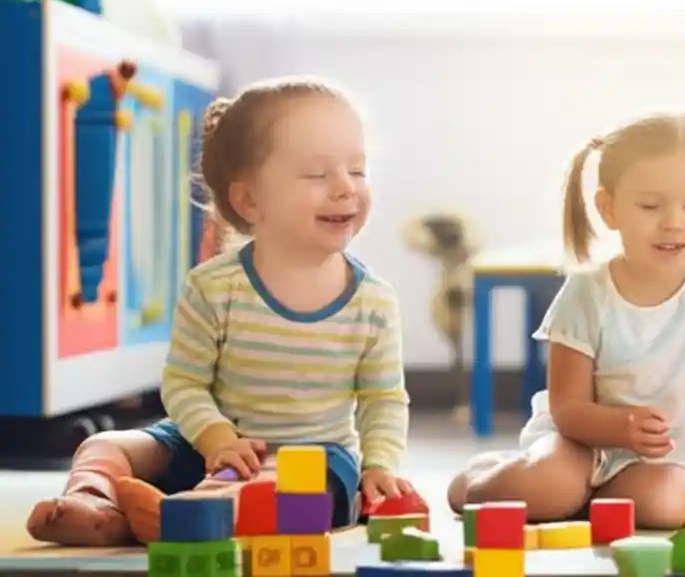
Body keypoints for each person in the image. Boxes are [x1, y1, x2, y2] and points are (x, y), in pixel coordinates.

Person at [26, 77, 412, 545]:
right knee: (104, 445)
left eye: (358, 170)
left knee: (288, 490)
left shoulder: (372, 301)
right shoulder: (214, 287)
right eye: (317, 174)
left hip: (314, 461)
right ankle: (95, 506)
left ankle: (187, 517)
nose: (345, 188)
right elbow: (185, 382)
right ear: (249, 199)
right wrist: (216, 439)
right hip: (206, 443)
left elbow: (383, 399)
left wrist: (380, 466)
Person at [447, 112, 685, 529]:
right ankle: (481, 479)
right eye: (651, 206)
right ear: (609, 208)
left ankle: (577, 503)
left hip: (660, 458)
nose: (674, 222)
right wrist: (619, 426)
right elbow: (567, 408)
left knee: (665, 508)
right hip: (578, 443)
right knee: (550, 486)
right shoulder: (587, 292)